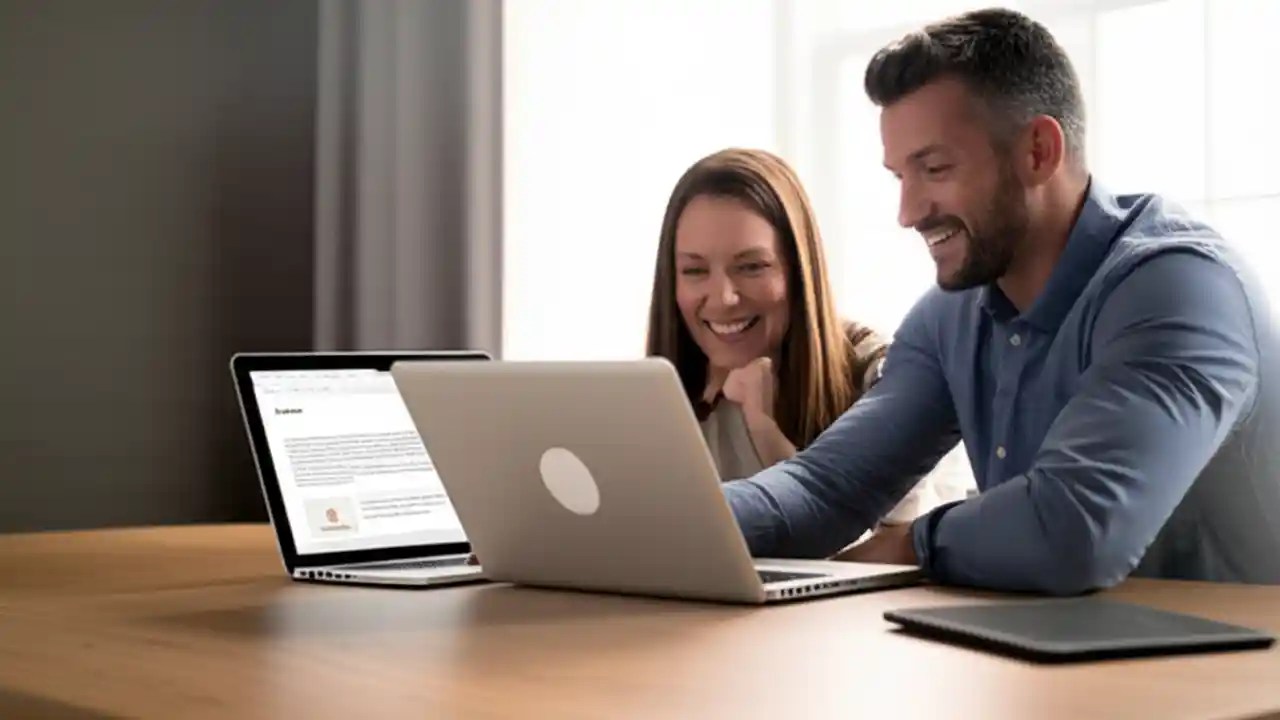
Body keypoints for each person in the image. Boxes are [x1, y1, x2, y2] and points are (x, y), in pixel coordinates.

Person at [723, 8, 1280, 594]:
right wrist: (668, 522)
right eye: (900, 177)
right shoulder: (951, 316)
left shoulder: (1181, 290)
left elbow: (1075, 532)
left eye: (935, 168)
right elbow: (825, 487)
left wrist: (911, 542)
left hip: (1238, 675)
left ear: (1038, 151)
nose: (908, 212)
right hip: (1059, 664)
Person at [646, 147, 941, 531]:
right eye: (695, 270)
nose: (723, 298)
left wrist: (765, 433)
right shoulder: (662, 399)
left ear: (799, 272)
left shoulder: (881, 379)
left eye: (752, 267)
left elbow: (889, 558)